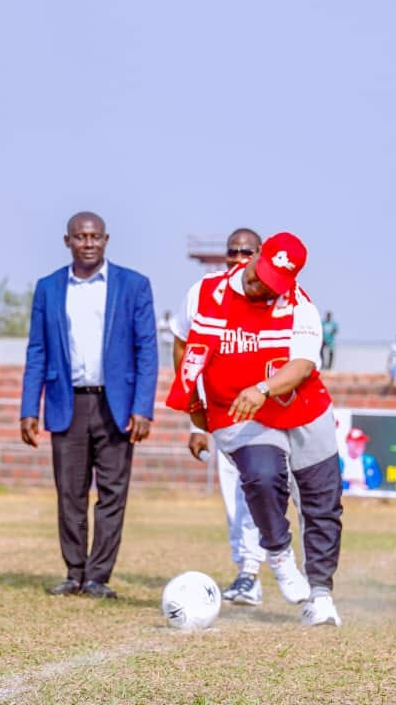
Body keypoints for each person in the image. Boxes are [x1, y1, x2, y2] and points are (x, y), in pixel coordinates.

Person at [167, 232, 344, 626]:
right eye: (259, 272)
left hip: (300, 406)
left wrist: (263, 388)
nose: (259, 284)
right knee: (262, 476)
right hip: (235, 409)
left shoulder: (300, 306)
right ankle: (279, 555)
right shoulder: (205, 293)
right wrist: (194, 401)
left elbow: (301, 367)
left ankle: (321, 594)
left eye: (273, 283)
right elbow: (182, 342)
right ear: (256, 256)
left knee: (322, 502)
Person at [21, 211, 158, 600]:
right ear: (67, 241)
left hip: (116, 406)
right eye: (80, 237)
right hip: (67, 402)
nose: (88, 243)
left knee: (113, 493)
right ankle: (74, 572)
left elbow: (146, 349)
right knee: (70, 492)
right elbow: (37, 350)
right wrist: (29, 407)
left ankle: (99, 576)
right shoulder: (48, 288)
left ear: (106, 239)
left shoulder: (133, 285)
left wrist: (143, 407)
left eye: (95, 236)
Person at [173, 228, 269, 605]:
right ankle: (248, 572)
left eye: (247, 251)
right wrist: (193, 420)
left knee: (264, 490)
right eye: (233, 251)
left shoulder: (277, 294)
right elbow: (186, 353)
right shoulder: (203, 292)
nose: (238, 257)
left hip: (268, 412)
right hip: (220, 413)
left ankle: (268, 569)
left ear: (262, 254)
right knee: (235, 494)